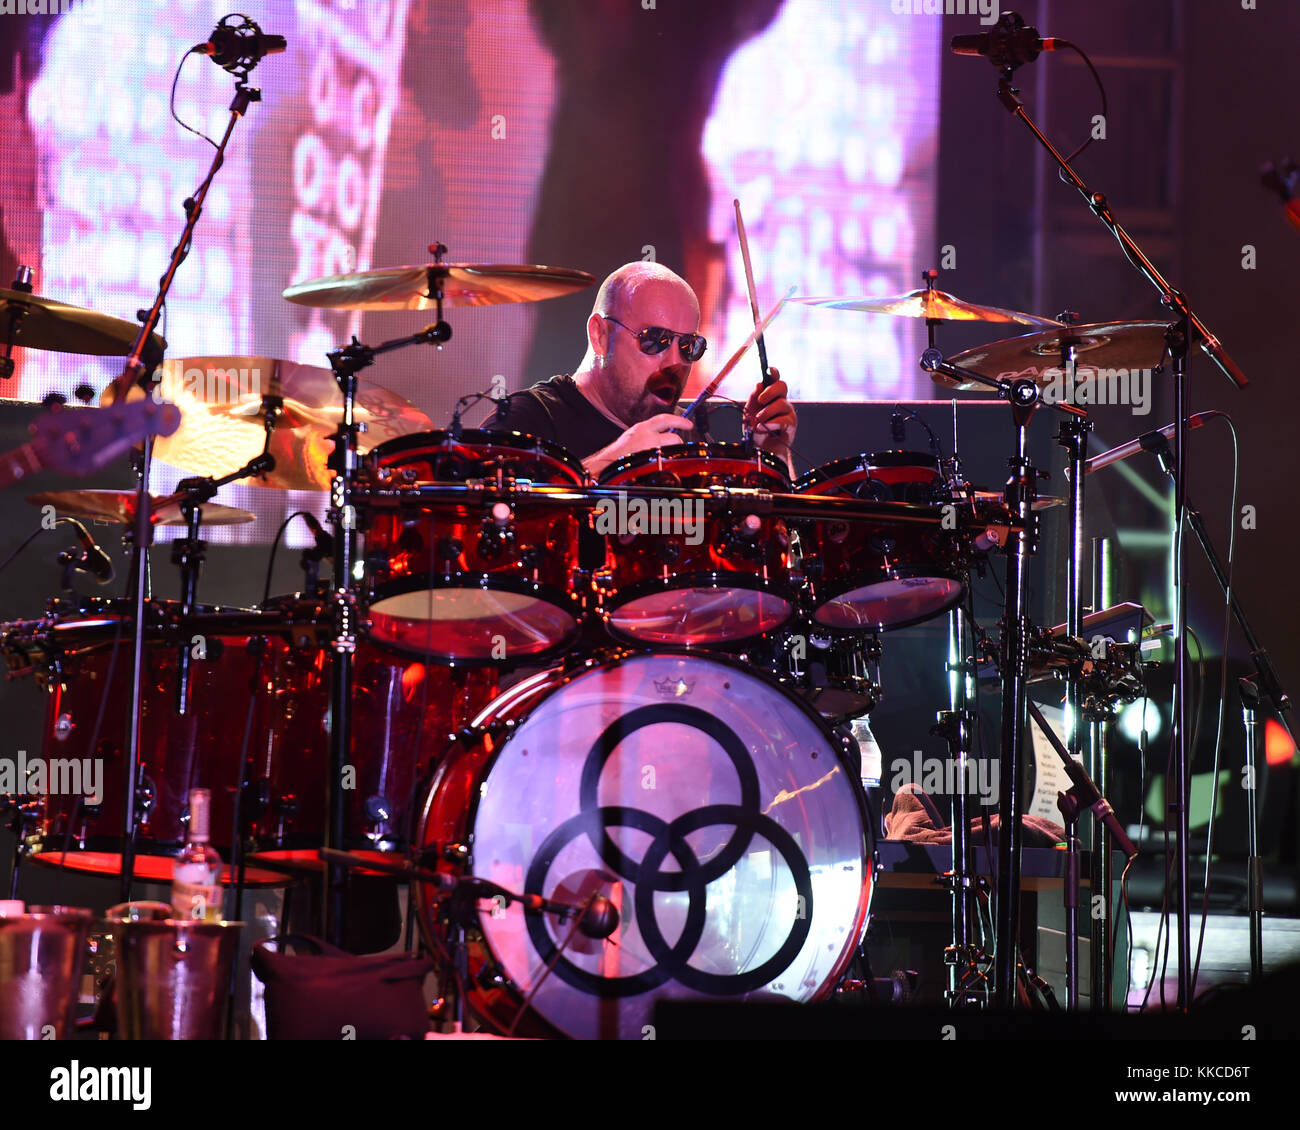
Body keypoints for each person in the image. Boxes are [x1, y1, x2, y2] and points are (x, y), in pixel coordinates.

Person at [488, 262, 796, 478]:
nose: (674, 362)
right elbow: (478, 522)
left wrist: (769, 458)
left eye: (689, 346)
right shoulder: (528, 420)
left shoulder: (690, 437)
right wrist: (612, 465)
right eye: (655, 340)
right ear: (600, 335)